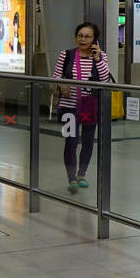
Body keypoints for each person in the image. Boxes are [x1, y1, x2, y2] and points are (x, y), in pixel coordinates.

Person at [52, 22, 111, 190]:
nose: (83, 39)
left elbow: (105, 79)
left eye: (87, 36)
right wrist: (62, 84)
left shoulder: (101, 56)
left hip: (89, 105)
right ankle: (71, 178)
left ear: (94, 39)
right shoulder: (66, 55)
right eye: (80, 36)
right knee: (70, 141)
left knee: (87, 140)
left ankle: (81, 174)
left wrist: (98, 59)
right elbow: (56, 76)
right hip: (69, 105)